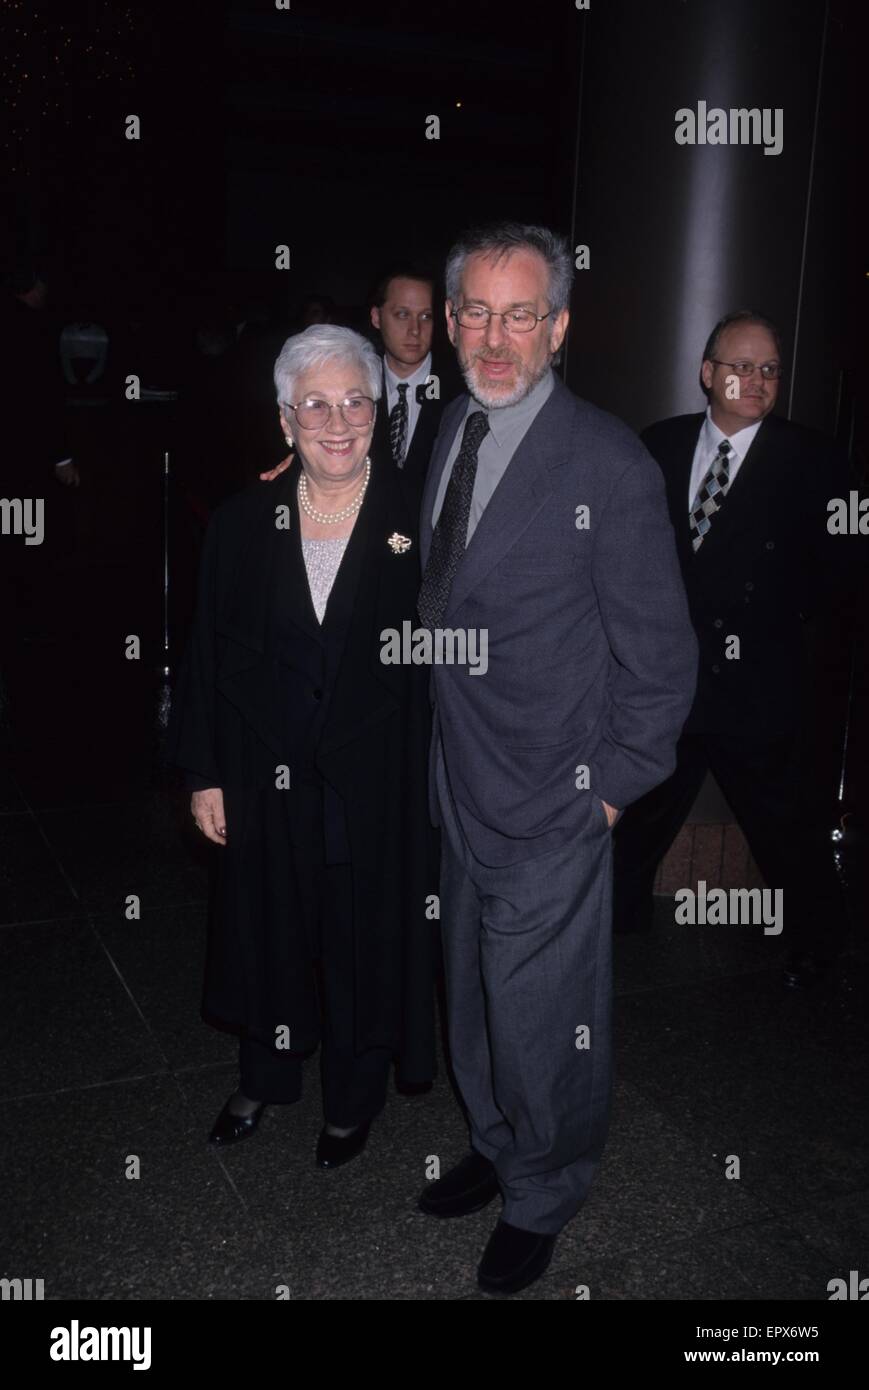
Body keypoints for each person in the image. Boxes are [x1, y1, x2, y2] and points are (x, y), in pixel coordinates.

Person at [415, 223, 697, 1294]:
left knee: (545, 1016)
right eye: (476, 313)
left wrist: (610, 798)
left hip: (557, 795)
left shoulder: (606, 463)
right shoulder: (451, 427)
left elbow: (661, 662)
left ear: (559, 327)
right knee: (475, 997)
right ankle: (494, 1141)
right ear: (448, 326)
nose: (496, 337)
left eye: (520, 314)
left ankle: (545, 1186)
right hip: (459, 777)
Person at [168, 325, 436, 1167]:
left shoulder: (418, 522)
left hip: (373, 784)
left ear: (378, 411)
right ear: (285, 420)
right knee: (269, 928)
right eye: (314, 404)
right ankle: (267, 1075)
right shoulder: (241, 523)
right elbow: (207, 653)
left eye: (354, 400)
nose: (336, 420)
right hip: (263, 778)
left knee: (361, 938)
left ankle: (351, 1100)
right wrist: (204, 773)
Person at [612, 310, 859, 986]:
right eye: (740, 367)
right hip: (667, 677)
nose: (755, 380)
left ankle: (820, 939)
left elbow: (840, 567)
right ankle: (612, 919)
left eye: (768, 370)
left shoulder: (812, 458)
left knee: (783, 820)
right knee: (638, 806)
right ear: (707, 373)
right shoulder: (657, 445)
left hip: (758, 684)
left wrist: (780, 629)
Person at [369, 267, 461, 495]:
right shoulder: (355, 385)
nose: (415, 330)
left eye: (425, 316)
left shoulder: (461, 393)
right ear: (377, 317)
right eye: (402, 314)